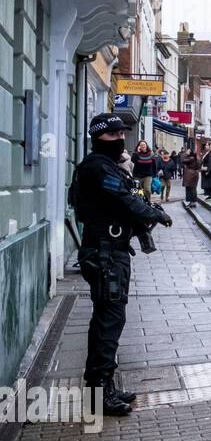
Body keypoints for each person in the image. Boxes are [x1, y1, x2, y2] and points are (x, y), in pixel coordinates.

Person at [70, 113, 173, 417]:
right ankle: (99, 392)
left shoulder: (105, 166)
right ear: (98, 137)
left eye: (121, 134)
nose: (119, 139)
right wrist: (154, 215)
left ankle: (105, 385)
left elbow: (125, 199)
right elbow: (125, 201)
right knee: (109, 320)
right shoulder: (98, 168)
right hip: (104, 255)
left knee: (109, 318)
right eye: (113, 135)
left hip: (110, 251)